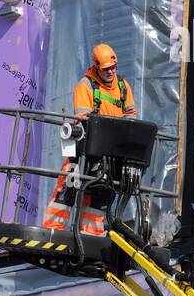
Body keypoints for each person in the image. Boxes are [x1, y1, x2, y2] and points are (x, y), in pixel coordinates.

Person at [42, 44, 137, 236]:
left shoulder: (123, 86)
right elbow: (84, 121)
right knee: (69, 184)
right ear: (96, 67)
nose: (111, 72)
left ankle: (91, 235)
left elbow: (131, 116)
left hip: (111, 154)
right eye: (106, 69)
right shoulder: (85, 86)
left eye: (113, 67)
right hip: (86, 147)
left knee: (100, 193)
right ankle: (52, 231)